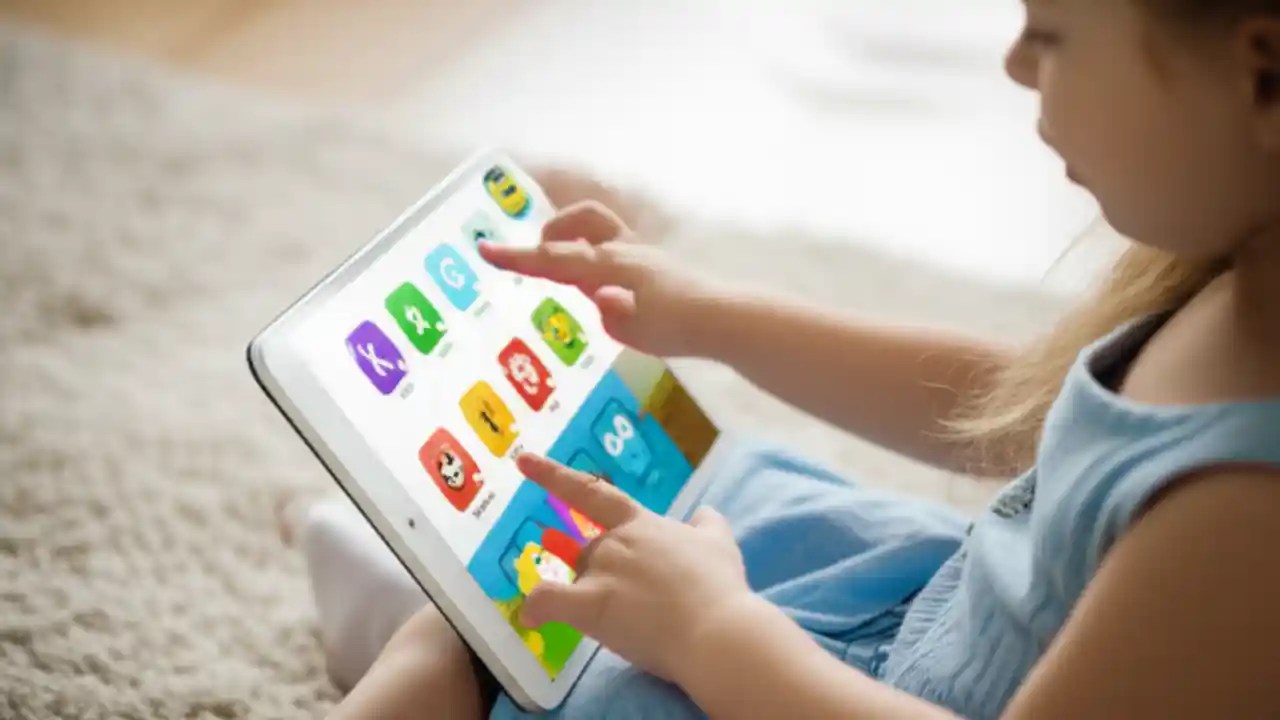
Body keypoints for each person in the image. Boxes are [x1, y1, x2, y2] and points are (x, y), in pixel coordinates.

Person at [280, 0, 1280, 716]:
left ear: (1261, 74)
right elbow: (1013, 411)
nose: (1015, 65)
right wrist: (716, 315)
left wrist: (712, 636)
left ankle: (418, 636)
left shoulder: (1245, 518)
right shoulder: (1237, 273)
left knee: (509, 634)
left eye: (1049, 32)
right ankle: (431, 620)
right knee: (623, 541)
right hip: (929, 614)